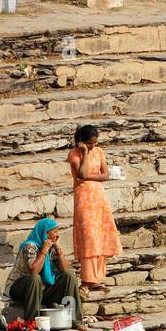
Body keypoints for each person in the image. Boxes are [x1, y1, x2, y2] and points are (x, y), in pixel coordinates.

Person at [69, 125, 123, 294]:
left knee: (100, 236)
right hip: (84, 199)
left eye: (95, 143)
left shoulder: (99, 152)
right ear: (82, 142)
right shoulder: (74, 155)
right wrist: (85, 153)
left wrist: (88, 178)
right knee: (88, 238)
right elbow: (81, 173)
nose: (93, 146)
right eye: (90, 143)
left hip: (99, 198)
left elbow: (105, 175)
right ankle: (87, 279)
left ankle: (95, 279)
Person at [6, 216, 84, 327]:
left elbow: (65, 269)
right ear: (45, 233)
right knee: (35, 278)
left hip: (42, 288)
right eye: (54, 232)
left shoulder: (52, 247)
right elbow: (34, 270)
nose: (57, 235)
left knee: (69, 276)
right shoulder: (29, 246)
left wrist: (57, 248)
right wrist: (44, 250)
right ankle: (32, 322)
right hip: (21, 288)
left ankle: (75, 320)